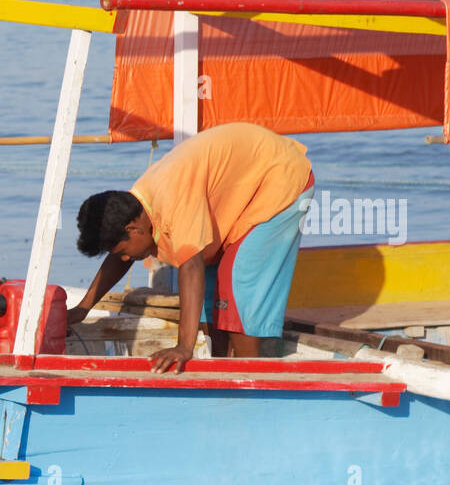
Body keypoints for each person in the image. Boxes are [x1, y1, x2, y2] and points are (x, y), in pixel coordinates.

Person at [72, 122, 314, 373]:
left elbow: (192, 265)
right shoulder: (136, 207)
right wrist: (83, 308)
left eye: (123, 252)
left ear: (133, 229)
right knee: (210, 304)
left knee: (237, 285)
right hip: (240, 193)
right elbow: (119, 257)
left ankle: (249, 382)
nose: (125, 258)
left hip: (280, 179)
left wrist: (183, 347)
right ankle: (223, 377)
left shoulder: (173, 199)